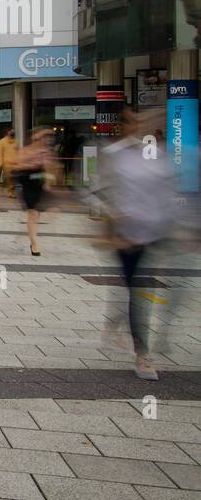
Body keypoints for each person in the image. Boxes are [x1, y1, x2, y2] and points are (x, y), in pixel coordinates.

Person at [96, 110, 175, 381]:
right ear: (125, 125)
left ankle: (115, 323)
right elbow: (94, 192)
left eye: (148, 123)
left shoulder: (157, 157)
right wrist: (112, 218)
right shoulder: (113, 155)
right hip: (126, 236)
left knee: (136, 290)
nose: (143, 127)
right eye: (136, 122)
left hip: (155, 233)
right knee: (139, 293)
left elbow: (166, 193)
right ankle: (142, 355)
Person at [12, 128, 59, 256]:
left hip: (41, 185)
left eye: (45, 138)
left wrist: (49, 182)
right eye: (39, 138)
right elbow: (15, 166)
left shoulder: (46, 152)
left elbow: (52, 168)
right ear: (33, 139)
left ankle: (25, 234)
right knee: (32, 214)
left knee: (51, 211)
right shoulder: (25, 151)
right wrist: (30, 165)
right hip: (28, 184)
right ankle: (34, 244)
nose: (43, 140)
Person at [0, 129, 18, 198]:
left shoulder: (16, 142)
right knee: (7, 178)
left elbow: (18, 152)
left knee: (12, 179)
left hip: (14, 163)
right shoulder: (1, 142)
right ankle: (5, 189)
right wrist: (0, 162)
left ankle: (11, 192)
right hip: (6, 163)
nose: (12, 136)